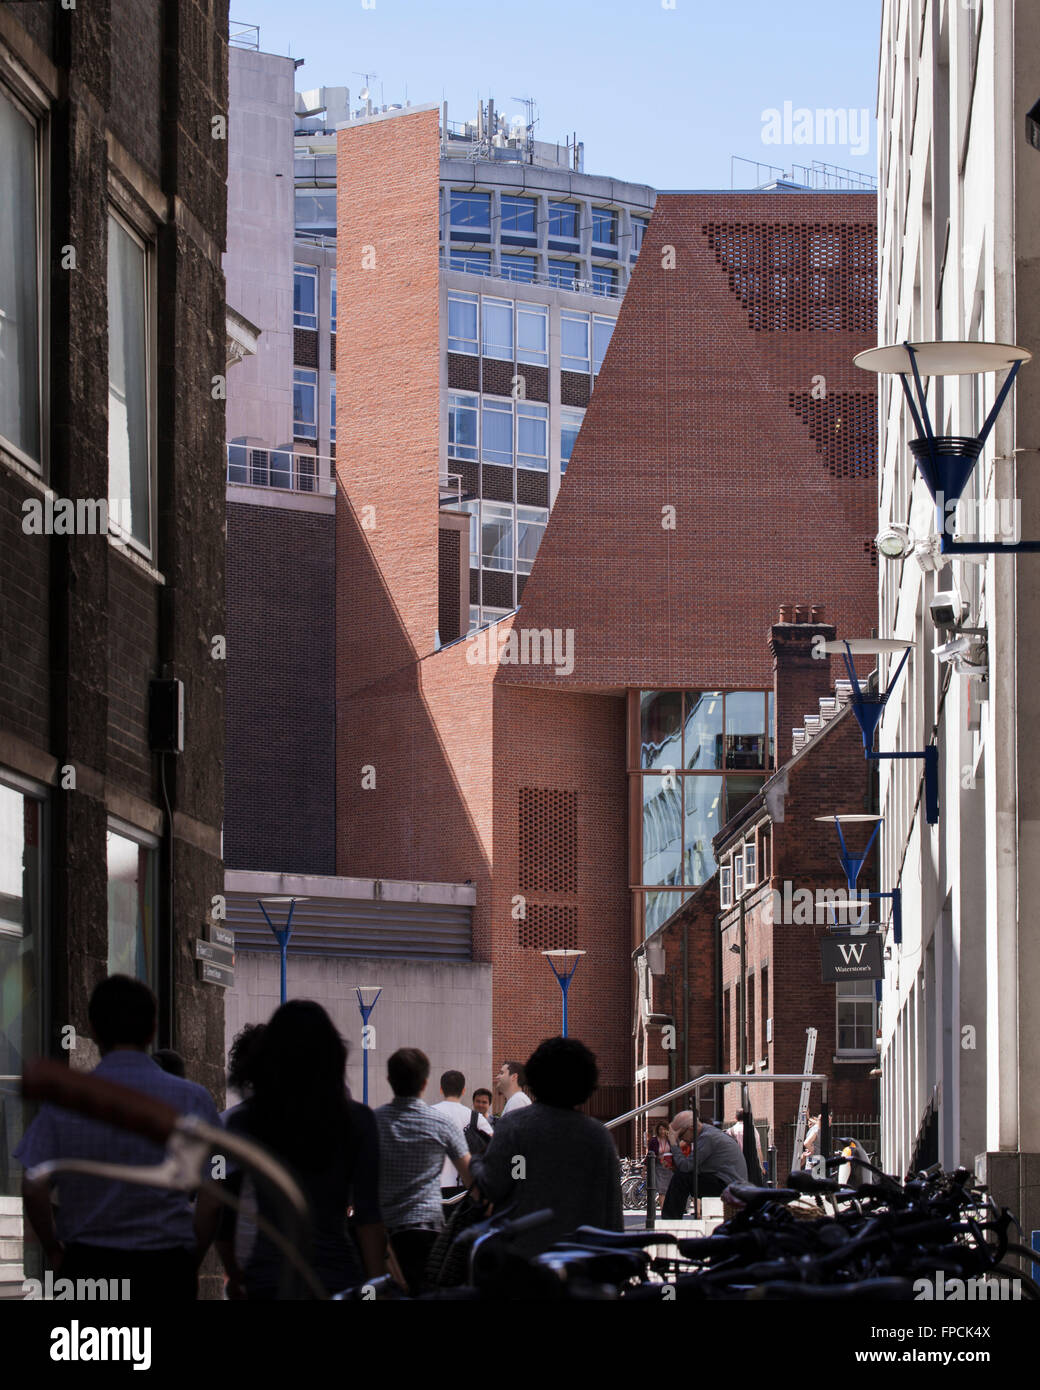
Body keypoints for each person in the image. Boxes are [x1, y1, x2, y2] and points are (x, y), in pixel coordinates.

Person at [15, 975, 221, 1301]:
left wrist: (55, 1250)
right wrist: (189, 1255)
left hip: (90, 1266)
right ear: (152, 1030)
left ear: (93, 1029)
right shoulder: (194, 1100)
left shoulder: (67, 1102)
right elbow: (213, 1192)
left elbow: (32, 1183)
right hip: (165, 1265)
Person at [206, 1000, 385, 1299]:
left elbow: (220, 1203)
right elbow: (369, 1216)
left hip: (267, 1275)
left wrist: (234, 1272)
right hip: (335, 1275)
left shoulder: (240, 1124)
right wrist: (376, 1285)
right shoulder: (358, 1121)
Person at [471, 1037, 623, 1257]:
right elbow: (613, 1211)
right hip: (583, 1264)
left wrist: (476, 1162)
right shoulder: (599, 1136)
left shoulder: (514, 1126)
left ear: (534, 1076)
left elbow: (493, 1186)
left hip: (524, 1260)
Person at [375, 1048, 472, 1295]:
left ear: (389, 1080)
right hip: (428, 1229)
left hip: (386, 1233)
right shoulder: (440, 1122)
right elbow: (472, 1177)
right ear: (425, 1082)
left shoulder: (374, 1121)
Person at [660, 1111, 749, 1219]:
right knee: (682, 1177)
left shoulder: (707, 1138)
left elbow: (685, 1167)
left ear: (691, 1128)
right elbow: (694, 1167)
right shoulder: (708, 1133)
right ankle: (670, 1218)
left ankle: (670, 1221)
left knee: (681, 1178)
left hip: (728, 1185)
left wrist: (674, 1144)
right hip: (729, 1182)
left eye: (681, 1136)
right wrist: (675, 1167)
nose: (682, 1140)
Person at [431, 1069, 492, 1208]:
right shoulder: (475, 1118)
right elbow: (492, 1146)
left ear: (441, 1089)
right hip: (465, 1190)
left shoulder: (429, 1114)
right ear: (463, 1091)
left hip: (433, 1188)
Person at [646, 1121, 674, 1207]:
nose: (662, 1131)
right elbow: (650, 1154)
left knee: (670, 1188)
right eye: (660, 1129)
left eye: (664, 1129)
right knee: (662, 1189)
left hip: (670, 1167)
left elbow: (676, 1151)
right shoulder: (654, 1141)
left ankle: (669, 1208)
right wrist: (645, 1167)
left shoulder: (671, 1140)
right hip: (659, 1166)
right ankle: (663, 1209)